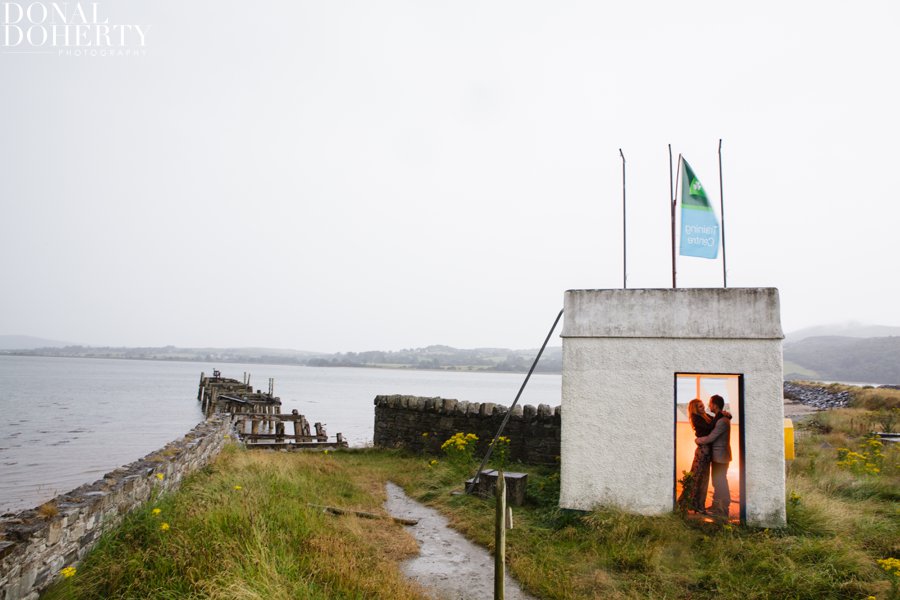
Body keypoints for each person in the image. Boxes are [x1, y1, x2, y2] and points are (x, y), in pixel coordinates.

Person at [695, 394, 732, 517]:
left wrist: (698, 440)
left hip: (721, 457)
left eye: (710, 403)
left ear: (715, 405)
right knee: (717, 481)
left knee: (720, 481)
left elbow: (711, 437)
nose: (708, 405)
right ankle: (717, 505)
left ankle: (724, 507)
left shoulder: (721, 421)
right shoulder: (719, 418)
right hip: (719, 456)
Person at [678, 398, 715, 512]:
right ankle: (685, 504)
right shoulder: (696, 418)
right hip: (702, 452)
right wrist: (719, 416)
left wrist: (723, 415)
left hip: (706, 451)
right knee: (696, 478)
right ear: (695, 409)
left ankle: (698, 505)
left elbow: (715, 421)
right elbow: (710, 427)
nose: (703, 407)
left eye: (703, 405)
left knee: (703, 479)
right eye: (700, 406)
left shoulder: (705, 416)